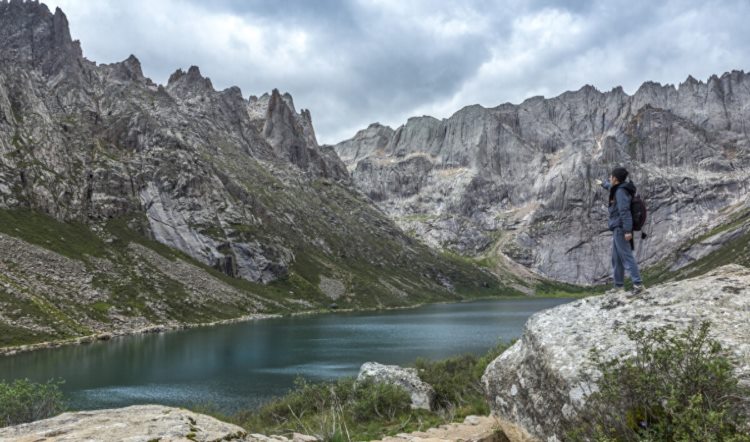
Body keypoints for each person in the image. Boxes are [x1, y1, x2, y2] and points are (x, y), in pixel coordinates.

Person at [595, 167, 644, 295]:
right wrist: (602, 184)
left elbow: (625, 211)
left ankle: (638, 284)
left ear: (615, 179)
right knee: (616, 258)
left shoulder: (620, 192)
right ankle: (618, 286)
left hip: (621, 228)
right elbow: (610, 187)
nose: (610, 178)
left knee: (627, 256)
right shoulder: (618, 189)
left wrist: (627, 230)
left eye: (611, 177)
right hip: (618, 228)